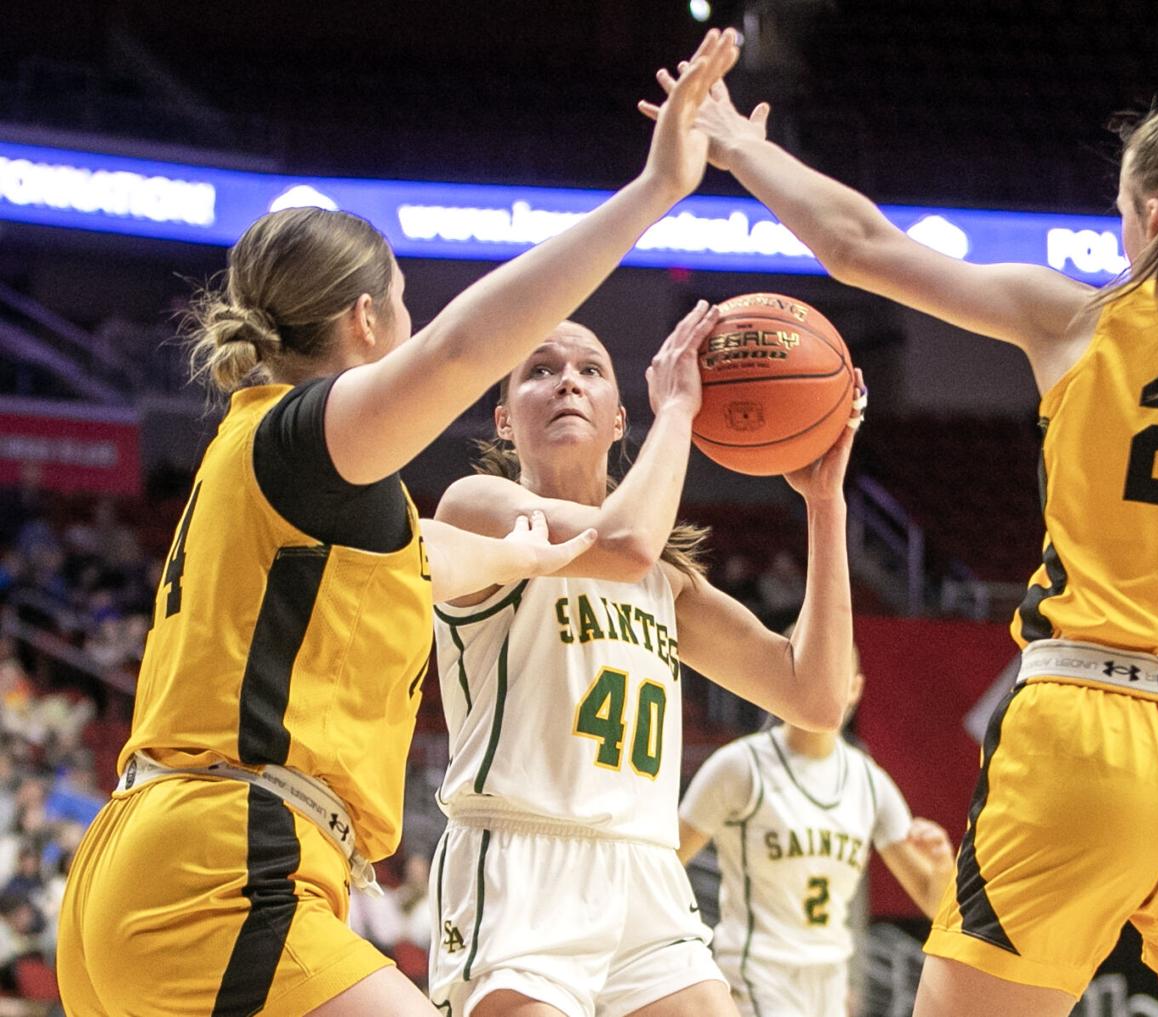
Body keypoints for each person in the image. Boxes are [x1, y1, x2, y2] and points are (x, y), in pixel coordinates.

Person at [651, 77, 1158, 1017]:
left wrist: (739, 145)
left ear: (1153, 215)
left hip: (1084, 731)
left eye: (1123, 211)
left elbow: (859, 245)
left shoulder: (1078, 320)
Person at [55, 28, 742, 1017]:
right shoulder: (303, 431)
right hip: (224, 860)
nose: (417, 329)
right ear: (369, 324)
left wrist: (562, 544)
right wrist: (652, 193)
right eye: (407, 307)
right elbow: (466, 351)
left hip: (148, 859)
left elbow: (474, 556)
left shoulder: (291, 484)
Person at [427, 311, 864, 1017]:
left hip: (645, 869)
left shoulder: (665, 581)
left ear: (619, 419)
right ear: (505, 421)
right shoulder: (478, 510)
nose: (567, 380)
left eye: (589, 370)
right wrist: (683, 410)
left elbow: (815, 696)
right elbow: (623, 538)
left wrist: (823, 504)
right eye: (541, 369)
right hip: (519, 862)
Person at [677, 650, 955, 1017]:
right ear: (784, 678)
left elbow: (937, 905)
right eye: (809, 668)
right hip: (757, 973)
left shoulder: (869, 780)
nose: (821, 683)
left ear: (855, 688)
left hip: (831, 979)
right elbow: (664, 862)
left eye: (833, 671)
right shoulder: (739, 766)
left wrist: (941, 866)